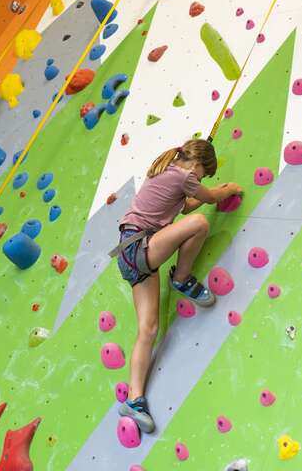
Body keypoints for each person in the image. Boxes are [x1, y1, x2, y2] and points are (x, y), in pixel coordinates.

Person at [112, 139, 242, 433]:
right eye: (203, 175)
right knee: (200, 223)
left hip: (132, 253)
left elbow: (186, 205)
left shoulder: (167, 172)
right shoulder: (185, 176)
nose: (200, 180)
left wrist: (206, 193)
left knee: (149, 330)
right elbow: (207, 199)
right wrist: (230, 189)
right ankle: (181, 279)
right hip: (141, 248)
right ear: (197, 166)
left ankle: (134, 400)